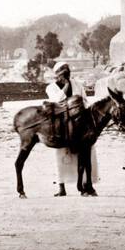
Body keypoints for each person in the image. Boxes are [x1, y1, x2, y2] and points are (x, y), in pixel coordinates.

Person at [45, 60, 98, 196]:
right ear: (57, 76)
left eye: (66, 72)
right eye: (62, 73)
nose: (65, 76)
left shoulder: (78, 85)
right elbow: (56, 101)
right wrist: (66, 87)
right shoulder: (51, 88)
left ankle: (87, 184)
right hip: (62, 122)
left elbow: (85, 101)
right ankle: (61, 187)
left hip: (79, 120)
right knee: (60, 153)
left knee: (87, 151)